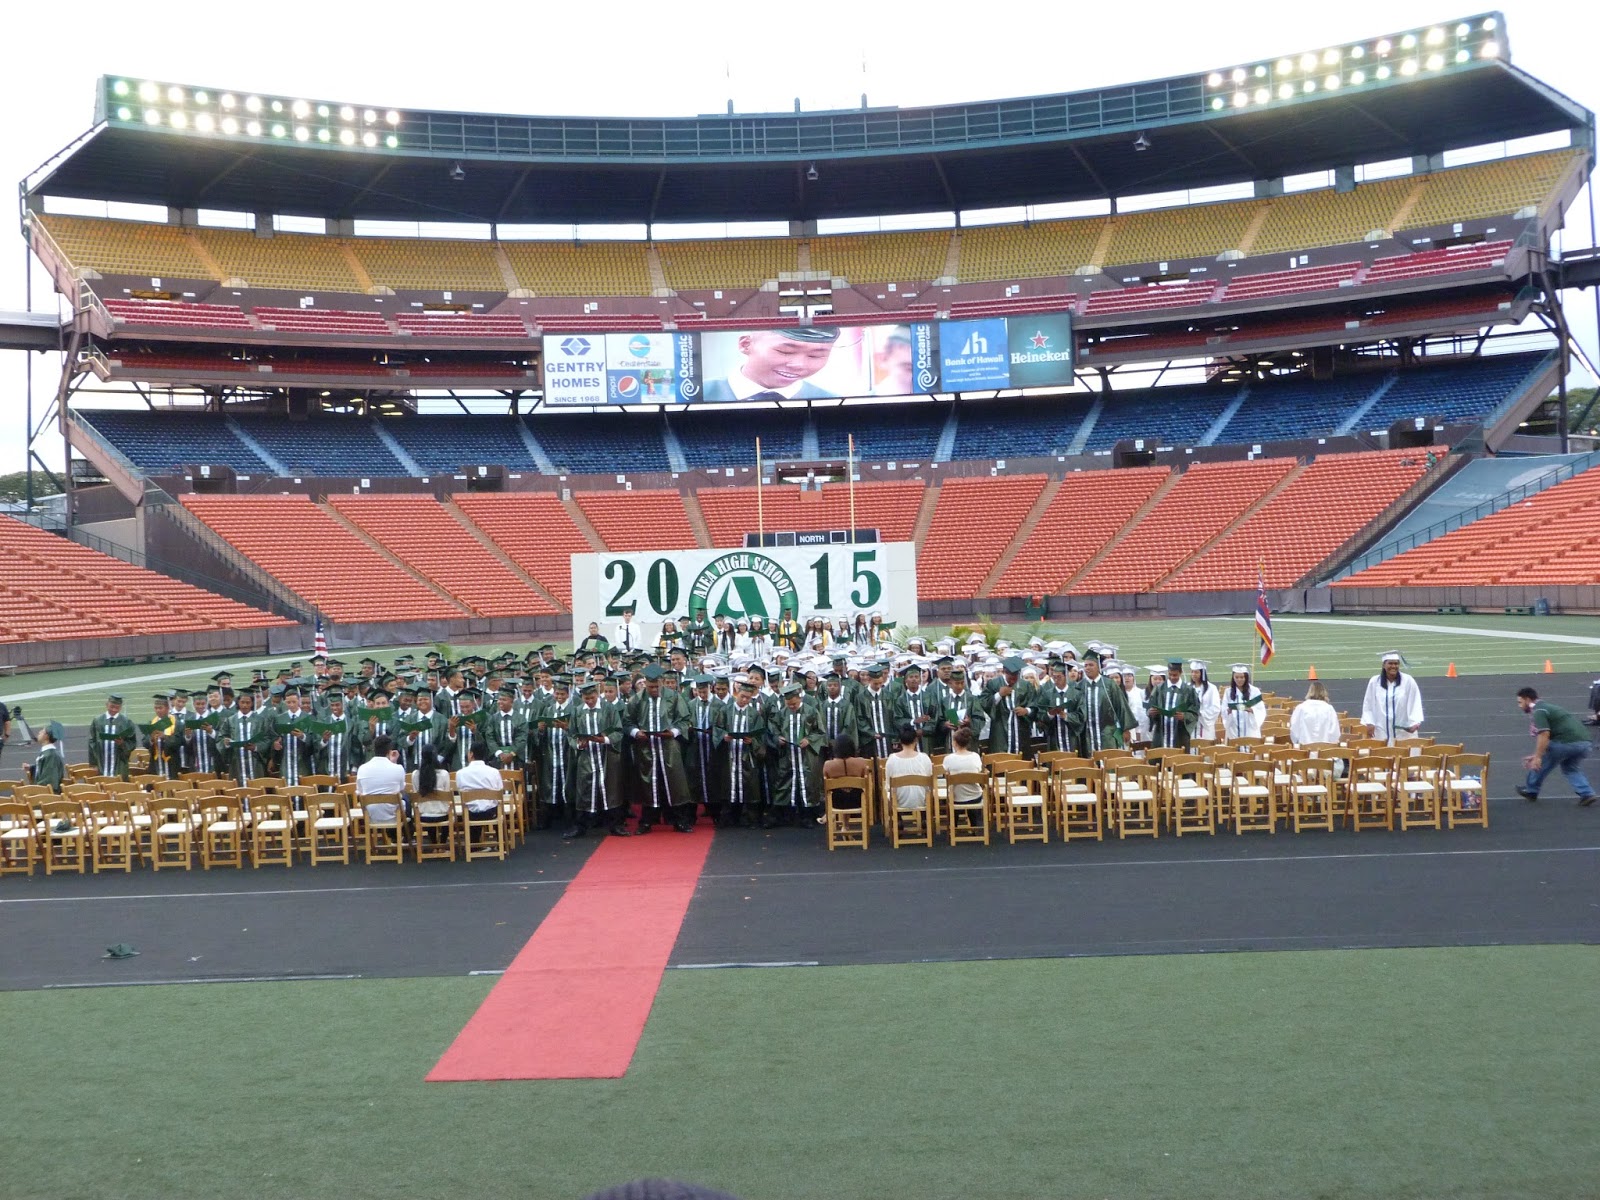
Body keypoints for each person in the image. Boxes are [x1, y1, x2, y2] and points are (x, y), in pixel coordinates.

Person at [702, 326, 843, 401]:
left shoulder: (833, 401)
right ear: (746, 344)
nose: (799, 364)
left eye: (815, 355)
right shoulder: (692, 395)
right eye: (785, 351)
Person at [1514, 687, 1596, 805]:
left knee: (1542, 762)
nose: (1519, 706)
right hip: (1585, 743)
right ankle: (1586, 793)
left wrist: (1537, 757)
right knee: (1570, 768)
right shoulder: (1548, 707)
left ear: (1527, 699)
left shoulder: (1539, 710)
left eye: (1520, 702)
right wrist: (1537, 754)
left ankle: (1531, 790)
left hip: (1566, 742)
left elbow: (1544, 734)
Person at [1362, 651, 1424, 744]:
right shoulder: (1375, 682)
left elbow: (1415, 702)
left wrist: (1415, 722)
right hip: (1381, 728)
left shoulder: (1408, 681)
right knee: (1383, 754)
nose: (1393, 666)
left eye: (1396, 663)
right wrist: (1369, 722)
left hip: (1403, 730)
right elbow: (1368, 704)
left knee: (1404, 755)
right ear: (1384, 665)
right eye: (1390, 663)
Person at [354, 735, 408, 831]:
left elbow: (360, 791)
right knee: (406, 798)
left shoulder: (362, 768)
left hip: (371, 814)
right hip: (393, 814)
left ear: (374, 749)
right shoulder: (398, 768)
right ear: (390, 750)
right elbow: (401, 789)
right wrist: (393, 763)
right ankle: (404, 834)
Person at [884, 723, 933, 811]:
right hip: (921, 799)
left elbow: (888, 784)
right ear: (916, 740)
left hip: (898, 800)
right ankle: (924, 817)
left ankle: (897, 819)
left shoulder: (891, 759)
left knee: (887, 789)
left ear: (900, 741)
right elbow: (929, 779)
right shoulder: (924, 758)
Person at [88, 693, 137, 780]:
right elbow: (92, 742)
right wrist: (93, 763)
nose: (114, 709)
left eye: (117, 707)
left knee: (118, 786)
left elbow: (132, 742)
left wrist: (122, 744)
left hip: (119, 762)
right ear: (106, 705)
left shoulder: (127, 722)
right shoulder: (98, 721)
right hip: (102, 761)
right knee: (102, 786)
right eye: (112, 706)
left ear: (121, 707)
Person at [821, 735, 871, 813]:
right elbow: (866, 782)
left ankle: (829, 817)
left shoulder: (828, 765)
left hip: (836, 803)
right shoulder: (861, 762)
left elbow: (825, 785)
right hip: (857, 801)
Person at [1289, 680, 1342, 746]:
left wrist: (1297, 742)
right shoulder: (1329, 709)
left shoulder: (1301, 708)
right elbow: (1335, 732)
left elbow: (1294, 729)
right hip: (1325, 752)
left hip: (1304, 751)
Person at [942, 727, 985, 806]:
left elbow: (946, 776)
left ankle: (954, 818)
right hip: (975, 796)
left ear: (954, 743)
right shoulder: (976, 756)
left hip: (956, 798)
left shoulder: (948, 759)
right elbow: (979, 772)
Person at [1221, 665, 1266, 741]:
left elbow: (1260, 709)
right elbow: (1224, 710)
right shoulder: (1228, 692)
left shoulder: (1254, 691)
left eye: (1242, 677)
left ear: (1246, 677)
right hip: (1234, 728)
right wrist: (1228, 711)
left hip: (1249, 728)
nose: (1239, 680)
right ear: (1233, 678)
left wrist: (1251, 710)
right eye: (1237, 677)